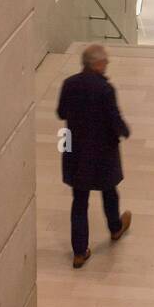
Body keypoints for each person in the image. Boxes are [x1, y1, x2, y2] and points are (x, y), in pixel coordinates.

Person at [56, 44, 132, 268]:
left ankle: (79, 252)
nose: (107, 64)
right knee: (109, 192)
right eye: (105, 61)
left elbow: (61, 112)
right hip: (102, 152)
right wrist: (124, 131)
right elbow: (114, 119)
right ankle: (115, 228)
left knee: (79, 201)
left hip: (75, 152)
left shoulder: (69, 84)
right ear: (97, 64)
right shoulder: (105, 89)